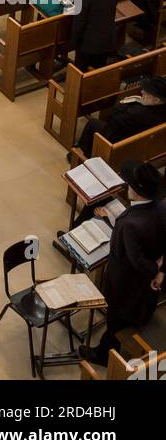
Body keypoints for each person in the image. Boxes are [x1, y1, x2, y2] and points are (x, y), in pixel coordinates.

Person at [81, 161, 165, 367]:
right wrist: (161, 270)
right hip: (148, 283)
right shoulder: (162, 208)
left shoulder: (129, 223)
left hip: (125, 282)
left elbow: (135, 260)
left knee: (116, 320)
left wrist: (155, 269)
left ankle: (103, 355)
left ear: (136, 192)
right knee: (140, 307)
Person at [77, 76, 166, 158]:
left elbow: (113, 123)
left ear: (156, 100)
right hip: (144, 144)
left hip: (122, 143)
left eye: (146, 92)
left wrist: (120, 105)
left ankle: (84, 153)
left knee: (92, 123)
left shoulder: (136, 113)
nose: (142, 91)